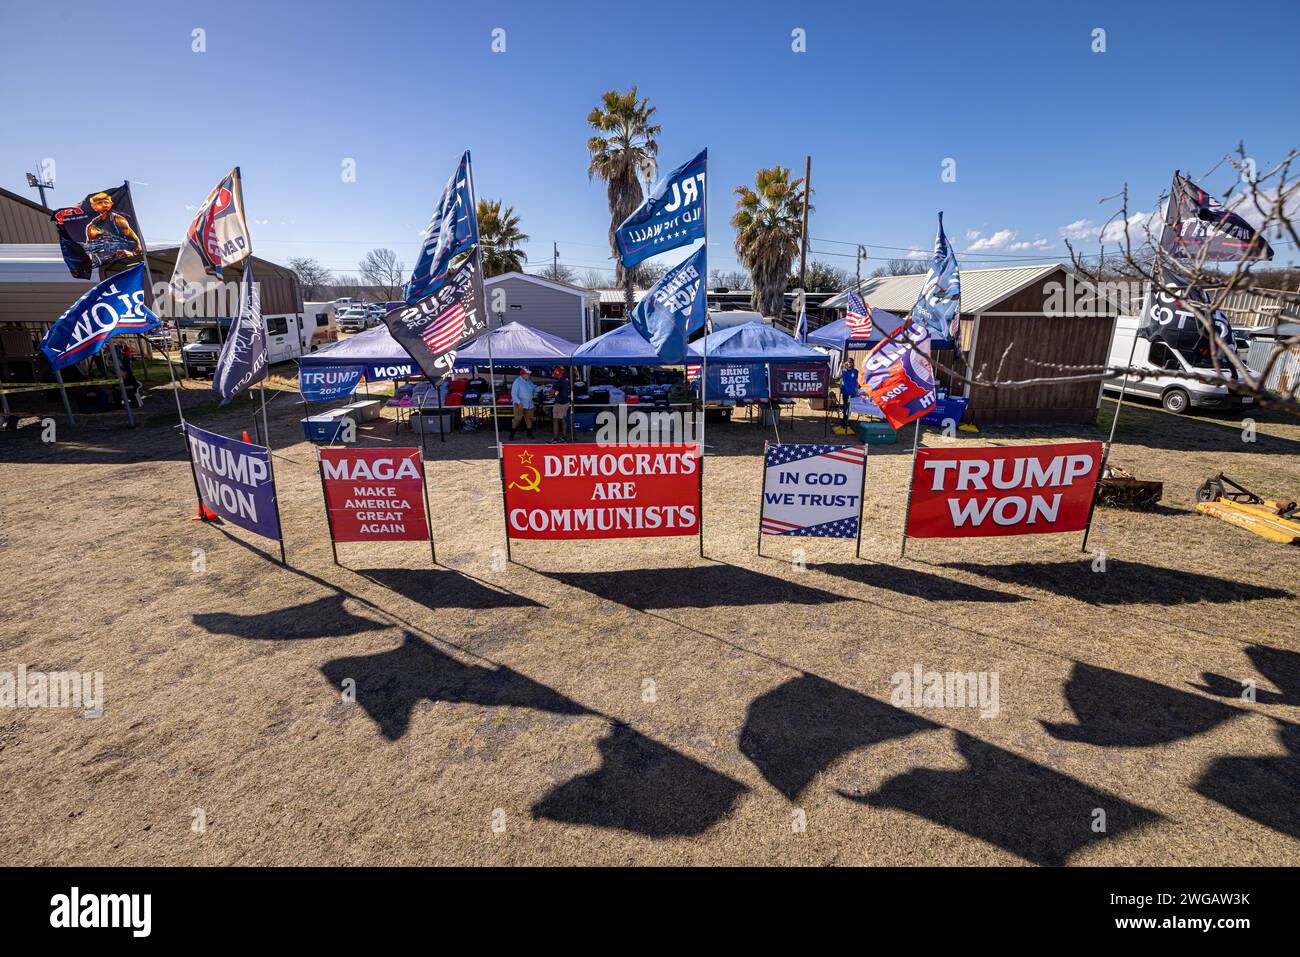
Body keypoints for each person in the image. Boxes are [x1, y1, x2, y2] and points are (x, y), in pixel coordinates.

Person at [509, 368, 538, 439]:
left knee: (529, 418)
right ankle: (511, 435)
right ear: (523, 374)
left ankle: (529, 434)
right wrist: (519, 403)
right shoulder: (517, 382)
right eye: (528, 374)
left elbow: (534, 388)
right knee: (517, 419)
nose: (529, 375)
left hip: (529, 403)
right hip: (519, 404)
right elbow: (513, 394)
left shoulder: (529, 381)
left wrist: (540, 387)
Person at [837, 357, 860, 435]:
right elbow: (837, 377)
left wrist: (857, 390)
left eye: (851, 362)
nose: (850, 363)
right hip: (845, 391)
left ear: (853, 363)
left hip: (853, 391)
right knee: (846, 406)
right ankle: (844, 421)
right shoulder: (843, 370)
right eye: (849, 362)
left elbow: (857, 381)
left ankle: (846, 420)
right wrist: (840, 368)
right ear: (847, 363)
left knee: (851, 407)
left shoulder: (856, 371)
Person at [551, 368, 571, 443]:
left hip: (559, 403)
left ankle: (555, 439)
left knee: (555, 421)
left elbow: (551, 393)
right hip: (566, 402)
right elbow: (558, 391)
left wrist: (554, 394)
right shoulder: (565, 380)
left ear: (557, 374)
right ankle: (564, 437)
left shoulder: (557, 382)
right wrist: (556, 394)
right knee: (563, 420)